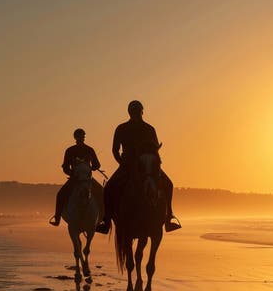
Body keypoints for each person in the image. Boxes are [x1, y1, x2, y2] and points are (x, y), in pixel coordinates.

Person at [96, 100, 181, 234]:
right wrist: (122, 163)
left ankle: (168, 217)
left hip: (146, 165)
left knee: (169, 184)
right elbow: (115, 150)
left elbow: (155, 149)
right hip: (127, 164)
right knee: (108, 188)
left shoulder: (149, 129)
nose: (136, 114)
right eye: (134, 112)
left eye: (137, 112)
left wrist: (152, 164)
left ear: (141, 112)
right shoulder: (121, 128)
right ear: (131, 113)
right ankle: (106, 221)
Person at [49, 129, 102, 226]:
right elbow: (97, 165)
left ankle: (103, 219)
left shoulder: (86, 150)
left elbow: (65, 168)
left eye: (81, 136)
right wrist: (74, 174)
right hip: (77, 179)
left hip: (84, 179)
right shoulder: (77, 150)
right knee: (60, 194)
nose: (81, 138)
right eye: (80, 136)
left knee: (102, 193)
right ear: (76, 138)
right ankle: (57, 218)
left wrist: (75, 173)